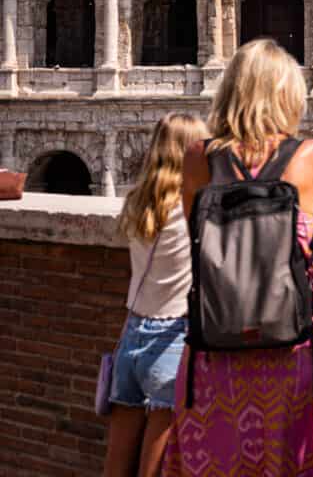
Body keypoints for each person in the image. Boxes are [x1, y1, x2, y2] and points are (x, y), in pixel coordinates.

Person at [162, 38, 313, 477]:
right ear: (287, 94)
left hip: (214, 349)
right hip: (290, 347)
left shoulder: (199, 156)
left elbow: (194, 233)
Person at [105, 112, 209, 477]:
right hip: (171, 340)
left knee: (116, 465)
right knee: (153, 468)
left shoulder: (137, 201)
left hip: (131, 336)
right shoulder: (193, 209)